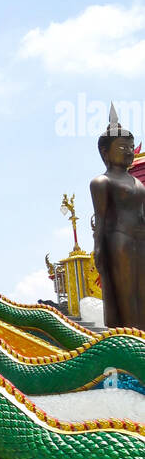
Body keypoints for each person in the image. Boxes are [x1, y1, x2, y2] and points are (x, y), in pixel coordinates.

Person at [90, 105, 145, 328]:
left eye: (131, 147)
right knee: (126, 294)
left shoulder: (137, 182)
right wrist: (99, 248)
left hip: (141, 240)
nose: (129, 151)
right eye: (123, 147)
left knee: (142, 294)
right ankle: (132, 339)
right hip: (120, 241)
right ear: (105, 153)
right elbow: (100, 220)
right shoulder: (102, 182)